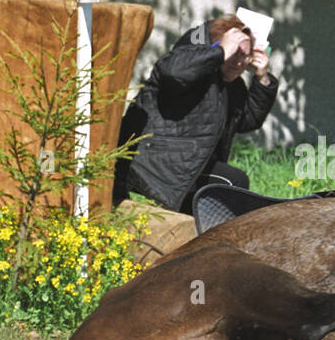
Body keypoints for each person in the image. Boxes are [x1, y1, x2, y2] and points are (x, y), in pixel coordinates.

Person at [114, 15, 278, 212]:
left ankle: (202, 234)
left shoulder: (233, 86)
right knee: (232, 182)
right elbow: (174, 72)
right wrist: (220, 51)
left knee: (228, 182)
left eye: (246, 55)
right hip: (148, 158)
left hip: (185, 164)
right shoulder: (187, 61)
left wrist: (262, 79)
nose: (240, 62)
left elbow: (247, 121)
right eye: (235, 53)